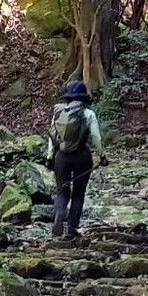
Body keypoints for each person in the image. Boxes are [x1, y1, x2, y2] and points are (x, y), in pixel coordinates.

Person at [45, 80, 104, 240]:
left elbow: (52, 136)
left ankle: (58, 215)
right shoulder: (88, 113)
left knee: (62, 192)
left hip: (61, 157)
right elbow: (96, 138)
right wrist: (101, 155)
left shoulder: (58, 112)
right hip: (81, 157)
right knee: (78, 194)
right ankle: (72, 228)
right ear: (83, 97)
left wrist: (50, 157)